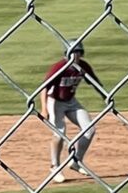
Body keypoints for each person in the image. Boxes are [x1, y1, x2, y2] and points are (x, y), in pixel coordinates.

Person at [39, 41, 107, 183]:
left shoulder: (83, 66)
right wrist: (44, 108)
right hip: (55, 101)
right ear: (67, 53)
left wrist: (105, 96)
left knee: (89, 129)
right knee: (59, 133)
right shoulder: (59, 67)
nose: (76, 55)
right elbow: (44, 87)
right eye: (74, 52)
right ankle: (55, 167)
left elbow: (95, 83)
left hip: (71, 101)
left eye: (78, 52)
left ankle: (76, 160)